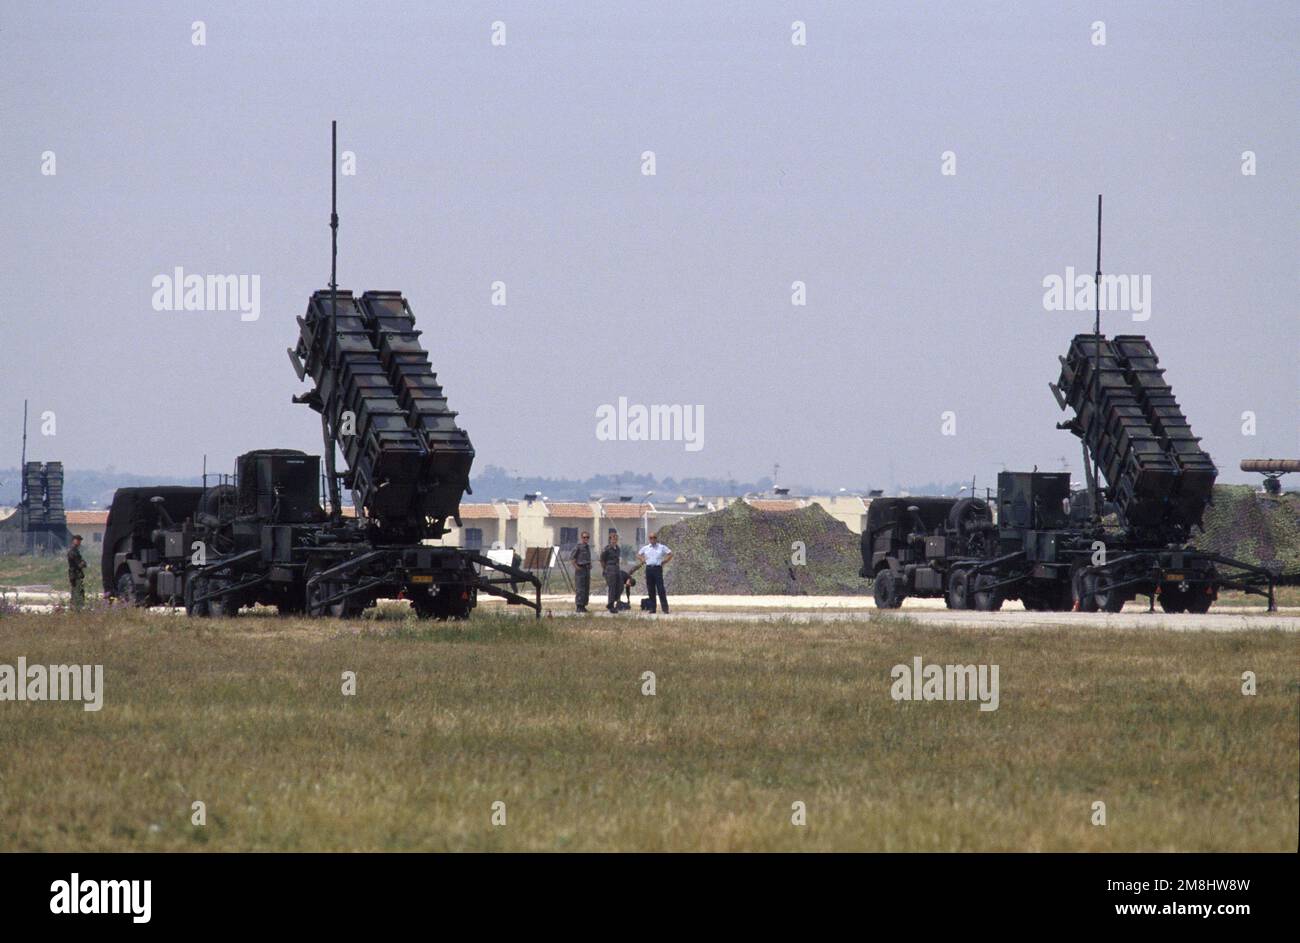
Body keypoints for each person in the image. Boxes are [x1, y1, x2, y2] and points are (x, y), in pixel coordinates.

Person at [637, 532, 673, 614]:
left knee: (660, 589)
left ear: (656, 538)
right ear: (649, 539)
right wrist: (642, 560)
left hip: (657, 569)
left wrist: (665, 561)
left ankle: (665, 608)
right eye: (651, 538)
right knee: (651, 589)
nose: (652, 539)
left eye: (654, 537)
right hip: (649, 569)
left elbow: (670, 554)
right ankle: (653, 608)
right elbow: (638, 554)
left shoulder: (661, 547)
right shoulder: (646, 548)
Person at [600, 529, 622, 612]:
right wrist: (605, 570)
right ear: (610, 539)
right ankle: (611, 605)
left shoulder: (618, 548)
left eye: (616, 538)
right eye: (613, 538)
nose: (615, 540)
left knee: (619, 586)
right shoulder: (607, 549)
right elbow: (602, 560)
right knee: (612, 587)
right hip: (610, 569)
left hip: (617, 568)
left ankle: (615, 601)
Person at [571, 531, 592, 613]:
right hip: (580, 569)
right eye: (584, 537)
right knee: (580, 588)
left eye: (587, 537)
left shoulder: (588, 547)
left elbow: (588, 558)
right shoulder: (578, 547)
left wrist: (590, 565)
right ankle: (579, 606)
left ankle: (583, 605)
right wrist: (577, 567)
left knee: (586, 588)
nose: (586, 539)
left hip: (587, 569)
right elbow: (572, 558)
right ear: (581, 538)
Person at [67, 534, 87, 611]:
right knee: (76, 591)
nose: (79, 542)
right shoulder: (72, 552)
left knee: (79, 591)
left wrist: (82, 563)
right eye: (78, 540)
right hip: (74, 574)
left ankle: (78, 607)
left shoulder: (76, 551)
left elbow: (83, 563)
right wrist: (82, 563)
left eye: (80, 541)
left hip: (78, 574)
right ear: (73, 541)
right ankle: (75, 608)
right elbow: (79, 564)